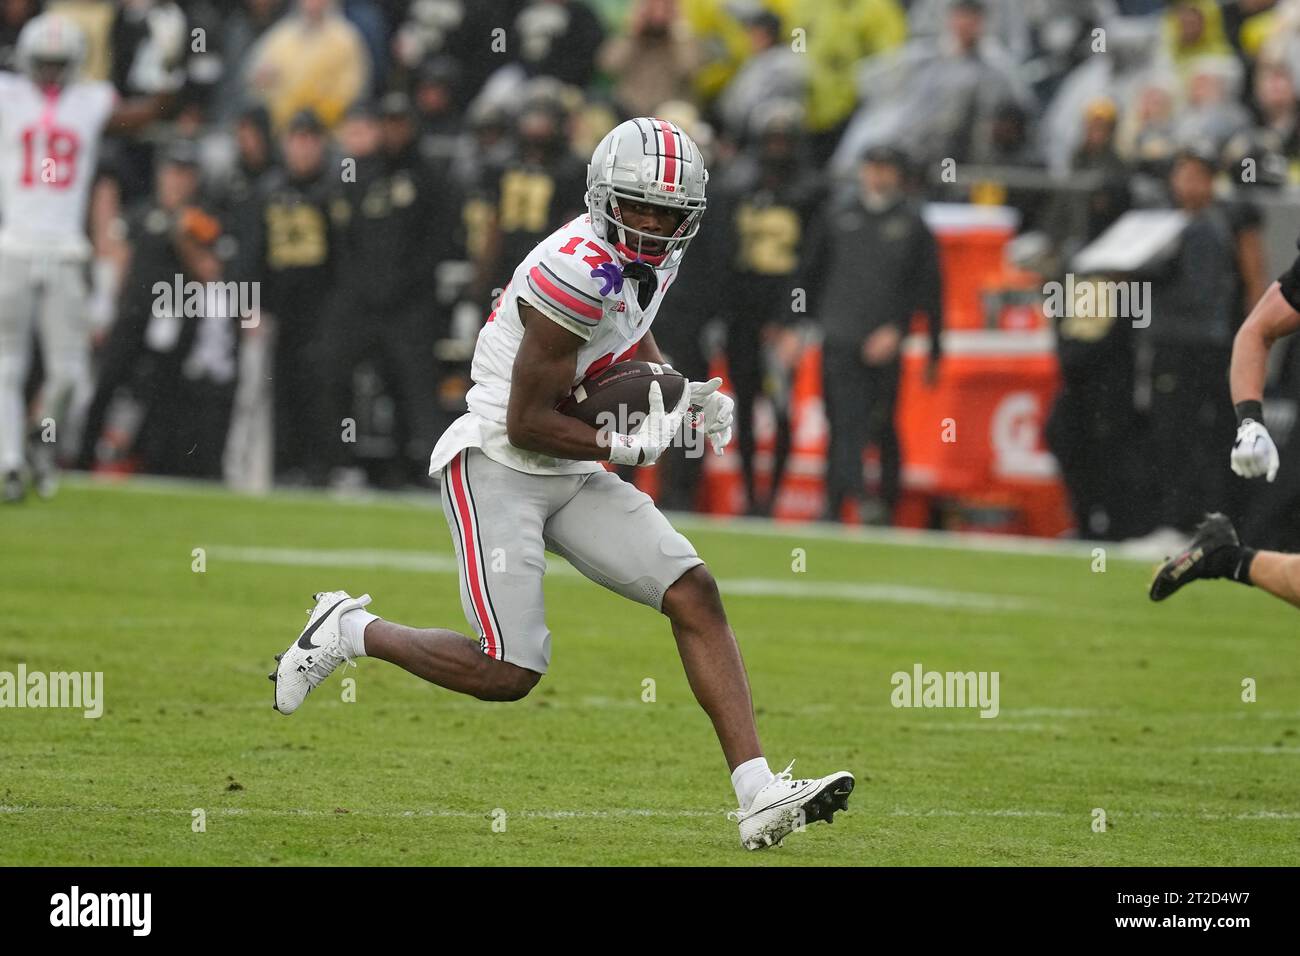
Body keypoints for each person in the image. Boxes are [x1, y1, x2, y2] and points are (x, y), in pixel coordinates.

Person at [268, 117, 854, 850]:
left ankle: (758, 792)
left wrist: (679, 391)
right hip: (499, 462)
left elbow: (631, 326)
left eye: (666, 213)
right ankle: (349, 630)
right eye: (635, 207)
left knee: (693, 591)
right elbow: (524, 422)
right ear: (604, 197)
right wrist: (627, 443)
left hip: (568, 462)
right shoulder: (573, 270)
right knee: (508, 671)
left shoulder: (653, 256)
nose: (649, 224)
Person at [0, 12, 166, 503]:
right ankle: (8, 462)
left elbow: (143, 114)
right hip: (14, 245)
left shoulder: (90, 101)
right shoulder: (8, 94)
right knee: (6, 366)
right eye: (43, 63)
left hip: (69, 251)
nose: (50, 73)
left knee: (69, 373)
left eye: (59, 63)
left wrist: (171, 69)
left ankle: (39, 438)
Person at [804, 144, 942, 524]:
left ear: (898, 174)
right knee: (841, 422)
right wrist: (800, 324)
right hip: (839, 334)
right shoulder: (837, 215)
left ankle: (884, 501)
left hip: (885, 339)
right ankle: (841, 502)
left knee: (881, 424)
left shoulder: (913, 224)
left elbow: (928, 290)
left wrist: (921, 341)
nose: (878, 176)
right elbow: (809, 273)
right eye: (873, 167)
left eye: (886, 168)